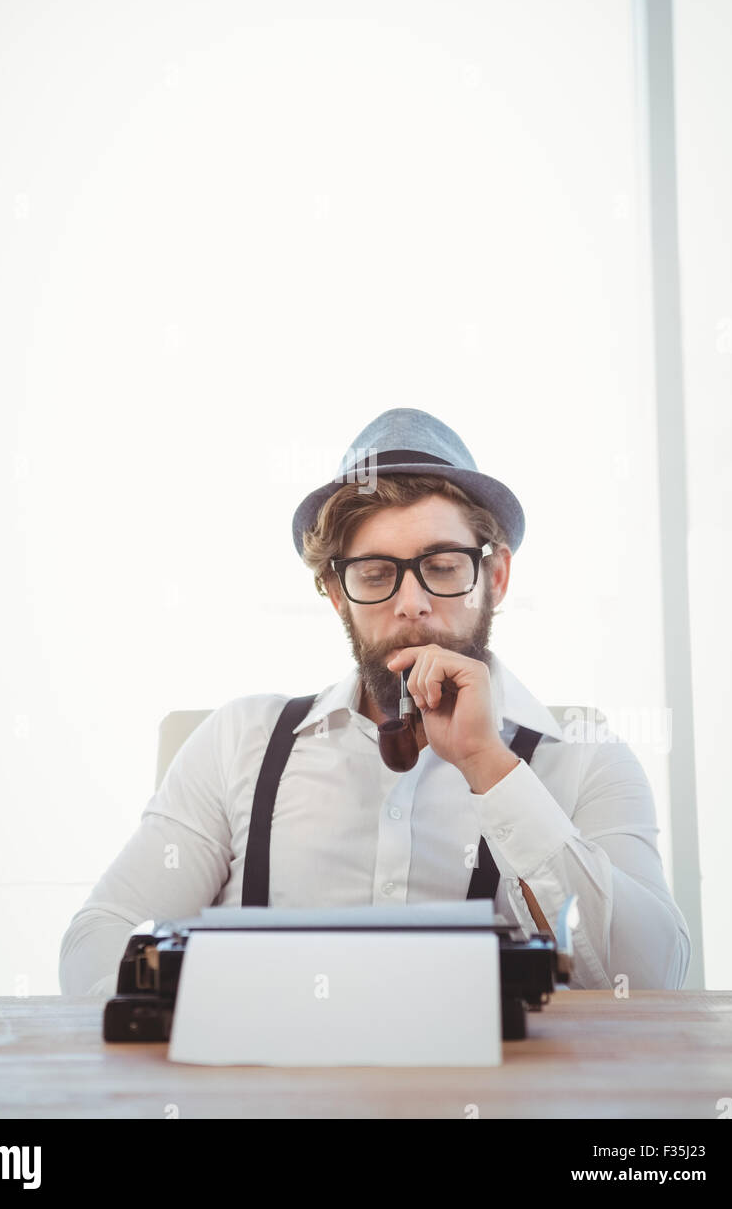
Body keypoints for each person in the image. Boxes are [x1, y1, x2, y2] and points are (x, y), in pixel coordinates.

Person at [59, 407, 690, 995]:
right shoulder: (237, 741)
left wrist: (490, 768)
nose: (411, 602)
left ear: (494, 579)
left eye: (443, 566)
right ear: (337, 593)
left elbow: (651, 979)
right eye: (375, 573)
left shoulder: (585, 755)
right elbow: (96, 944)